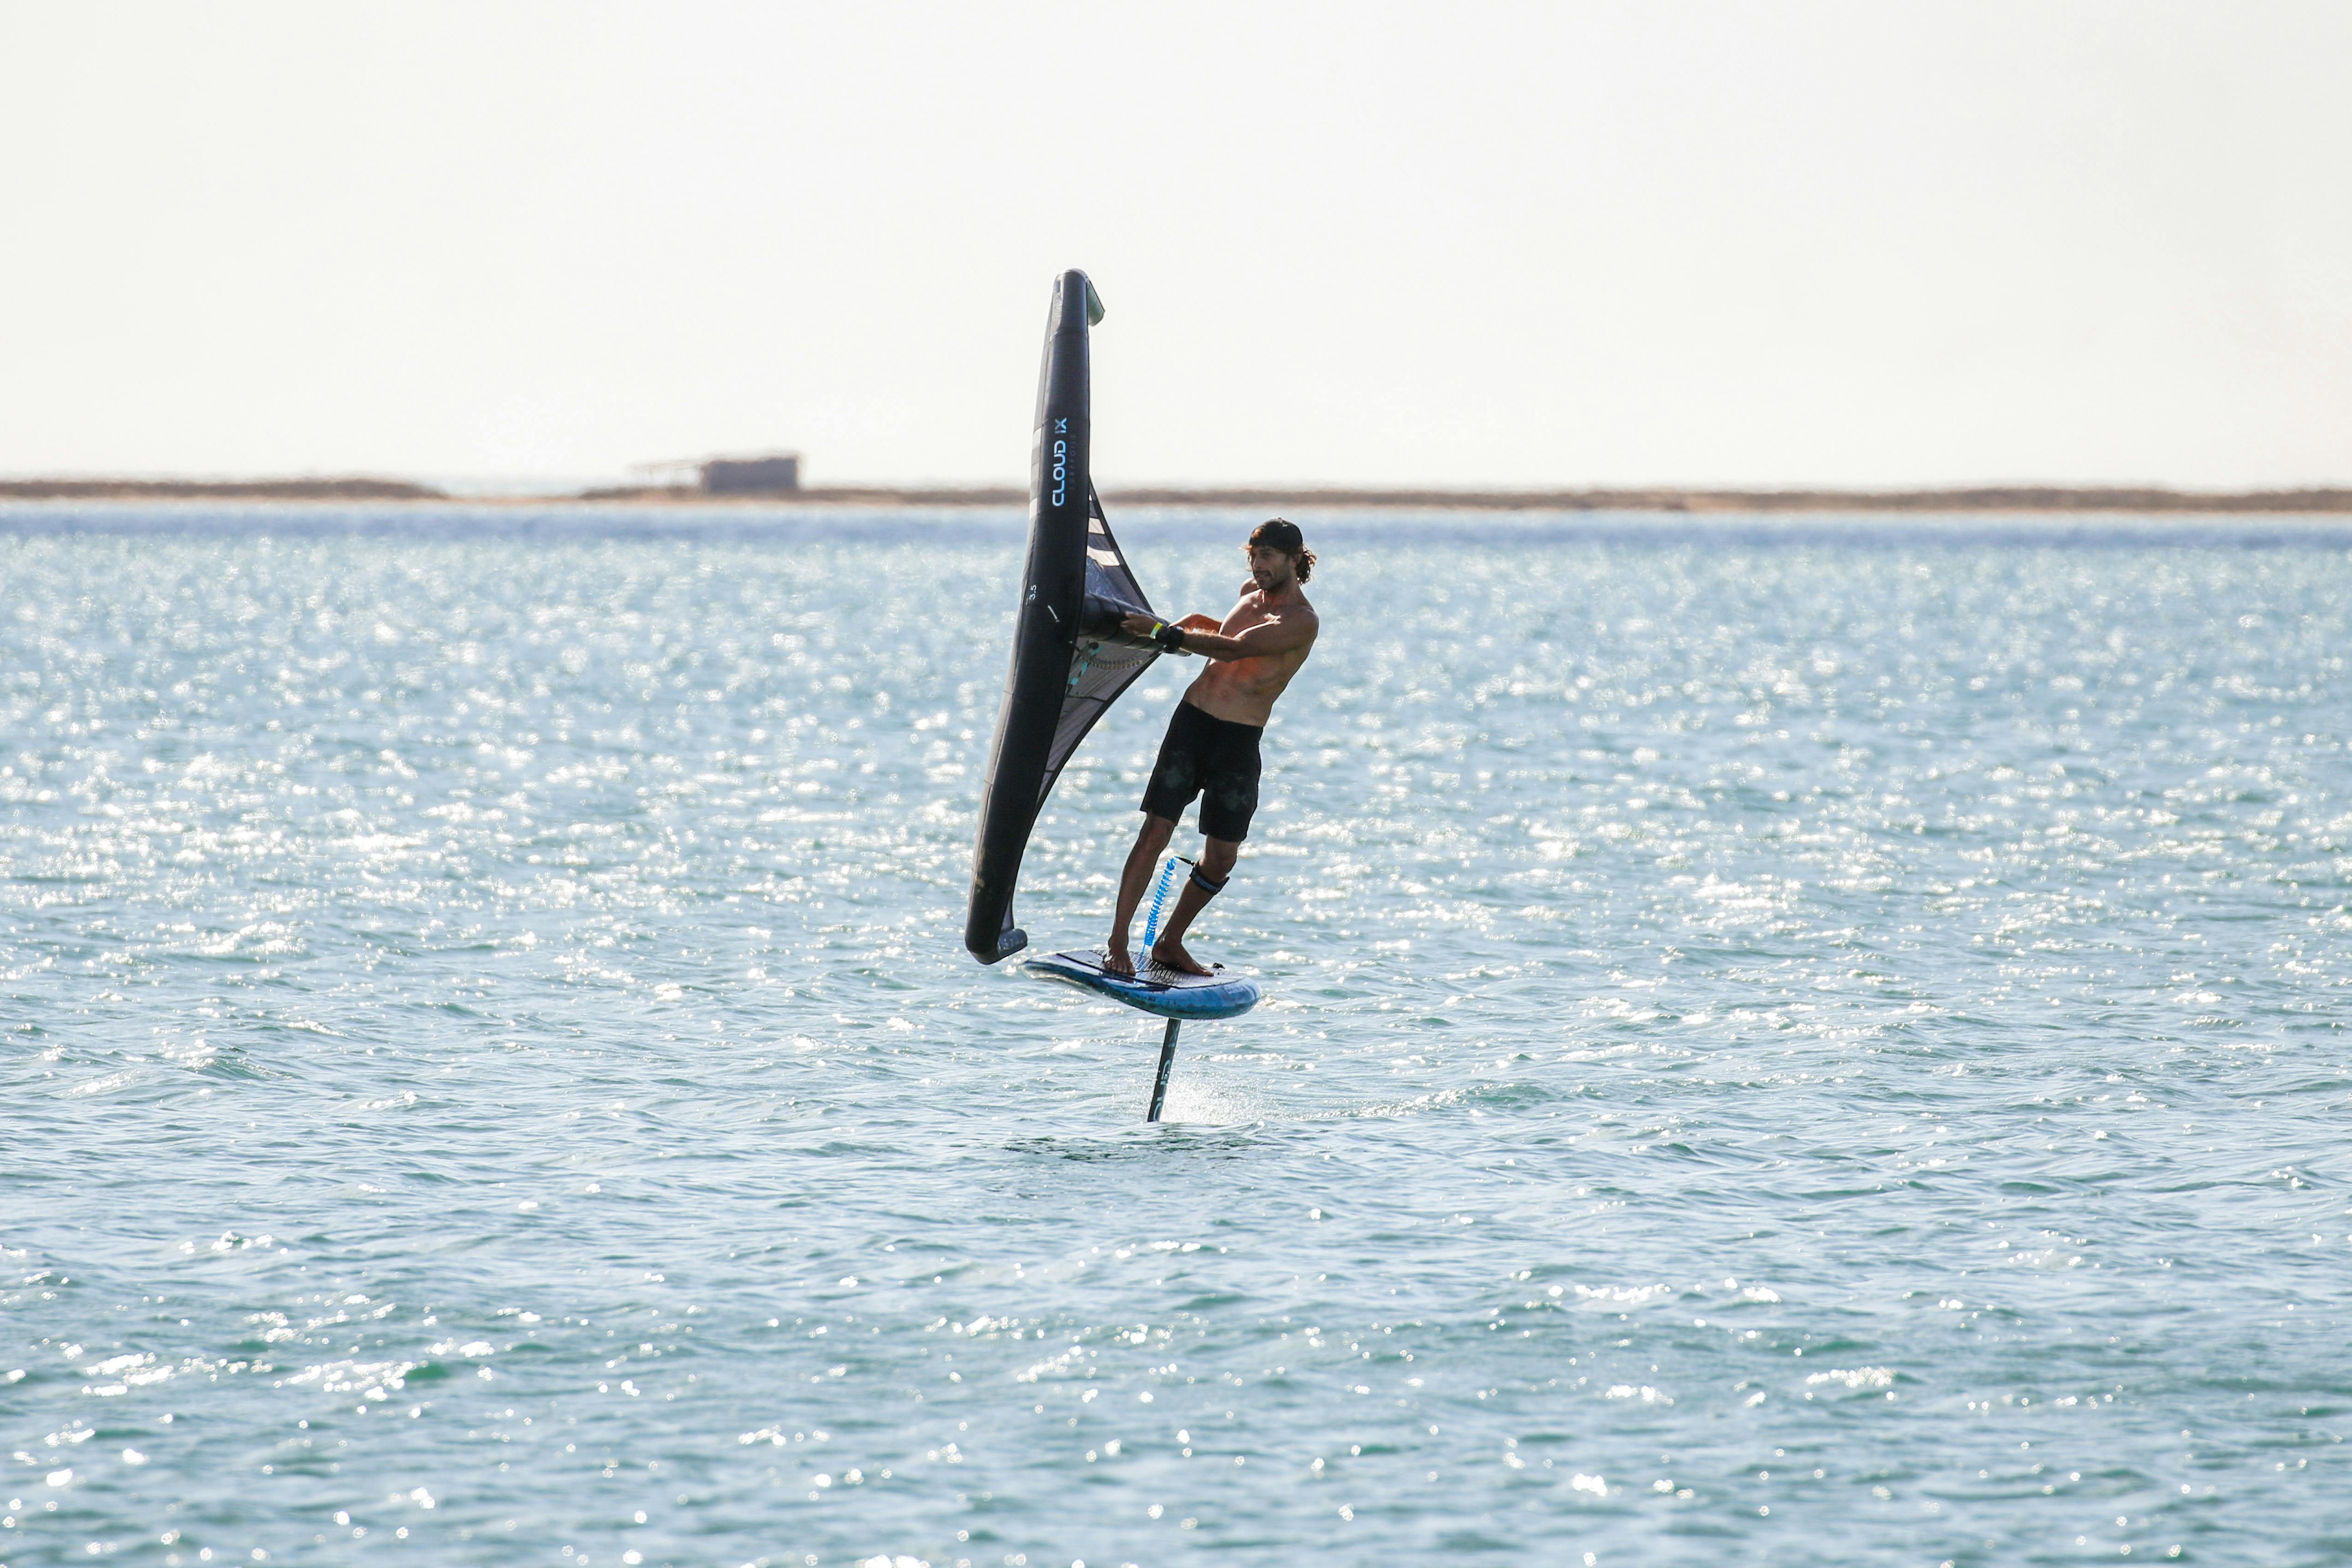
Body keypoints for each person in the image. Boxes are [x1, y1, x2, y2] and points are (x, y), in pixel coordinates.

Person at [1107, 518, 1320, 976]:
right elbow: (1221, 631)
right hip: (1193, 725)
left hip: (1238, 740)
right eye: (1253, 556)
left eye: (1267, 558)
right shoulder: (1249, 592)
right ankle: (1117, 943)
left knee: (1222, 856)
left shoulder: (1301, 621)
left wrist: (1163, 633)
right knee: (1155, 831)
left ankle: (1169, 942)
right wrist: (1183, 627)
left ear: (1293, 559)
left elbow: (1234, 649)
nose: (1257, 566)